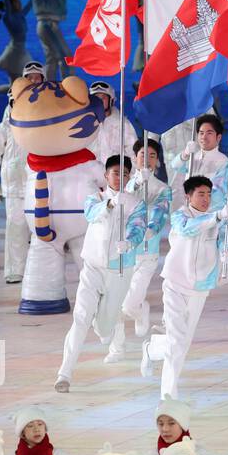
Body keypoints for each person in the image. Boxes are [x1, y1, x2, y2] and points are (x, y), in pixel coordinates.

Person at [140, 175, 228, 399]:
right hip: (176, 284)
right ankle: (168, 396)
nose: (206, 198)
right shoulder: (181, 216)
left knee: (182, 344)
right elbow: (188, 230)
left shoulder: (217, 219)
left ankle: (152, 349)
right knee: (177, 341)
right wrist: (216, 216)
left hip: (200, 287)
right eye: (201, 194)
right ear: (188, 197)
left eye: (209, 194)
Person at [55, 155, 143, 391]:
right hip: (92, 266)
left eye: (125, 174)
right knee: (80, 318)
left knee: (104, 329)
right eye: (115, 173)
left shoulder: (136, 204)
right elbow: (91, 214)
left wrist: (130, 242)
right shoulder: (96, 199)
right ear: (106, 176)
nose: (120, 177)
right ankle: (64, 373)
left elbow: (138, 229)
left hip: (120, 270)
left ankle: (103, 321)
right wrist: (112, 204)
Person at [119, 138, 171, 338]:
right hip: (124, 251)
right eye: (143, 155)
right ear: (134, 158)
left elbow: (161, 213)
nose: (147, 159)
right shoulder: (125, 185)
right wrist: (139, 182)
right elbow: (124, 201)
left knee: (128, 304)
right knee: (119, 302)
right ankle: (139, 313)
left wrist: (149, 229)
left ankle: (139, 310)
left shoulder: (162, 189)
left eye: (152, 155)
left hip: (147, 252)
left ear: (157, 160)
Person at [0, 94, 30, 283]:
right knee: (15, 228)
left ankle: (36, 271)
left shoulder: (39, 126)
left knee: (38, 231)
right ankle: (15, 270)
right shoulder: (3, 128)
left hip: (36, 185)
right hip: (13, 187)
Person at [167, 114, 228, 210]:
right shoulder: (193, 157)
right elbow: (175, 166)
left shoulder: (224, 162)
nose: (204, 137)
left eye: (209, 133)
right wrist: (185, 154)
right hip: (192, 213)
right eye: (201, 133)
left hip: (212, 215)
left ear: (218, 137)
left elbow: (218, 193)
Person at [86, 82, 136, 167]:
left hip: (116, 176)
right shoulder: (84, 125)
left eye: (103, 98)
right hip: (90, 176)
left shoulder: (123, 124)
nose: (100, 101)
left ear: (111, 100)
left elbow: (133, 153)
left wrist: (128, 176)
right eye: (96, 98)